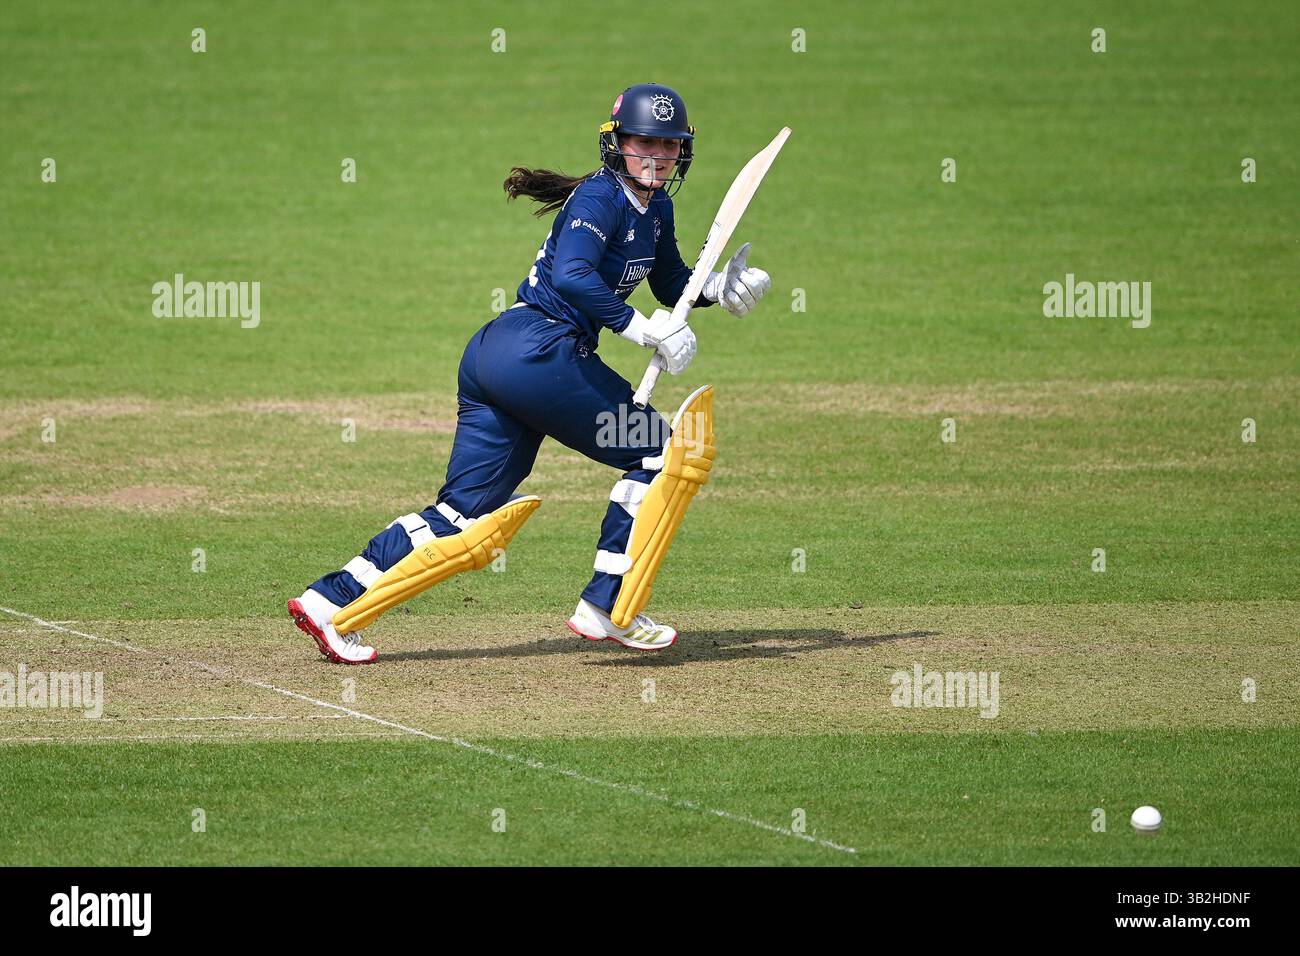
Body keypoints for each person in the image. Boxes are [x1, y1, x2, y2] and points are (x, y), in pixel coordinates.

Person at [288, 83, 772, 663]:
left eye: (669, 144)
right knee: (660, 452)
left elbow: (672, 284)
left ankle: (330, 600)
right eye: (645, 141)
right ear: (616, 143)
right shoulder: (599, 199)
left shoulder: (656, 208)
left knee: (463, 514)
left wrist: (716, 288)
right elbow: (571, 276)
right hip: (539, 350)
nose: (658, 154)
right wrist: (643, 330)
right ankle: (608, 606)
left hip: (500, 357)